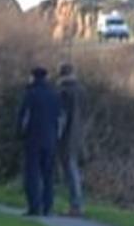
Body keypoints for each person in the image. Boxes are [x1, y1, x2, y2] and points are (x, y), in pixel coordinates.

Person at [17, 67, 62, 216]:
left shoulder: (30, 94)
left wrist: (19, 134)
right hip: (50, 139)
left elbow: (24, 117)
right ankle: (48, 206)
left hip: (33, 138)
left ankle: (34, 206)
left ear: (32, 77)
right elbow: (60, 118)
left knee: (32, 173)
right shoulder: (54, 95)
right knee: (48, 174)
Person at [56, 62, 84, 216]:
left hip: (67, 135)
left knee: (70, 170)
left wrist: (56, 136)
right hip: (78, 134)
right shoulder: (81, 90)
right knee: (74, 169)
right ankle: (77, 203)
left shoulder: (63, 92)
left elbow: (62, 117)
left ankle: (75, 205)